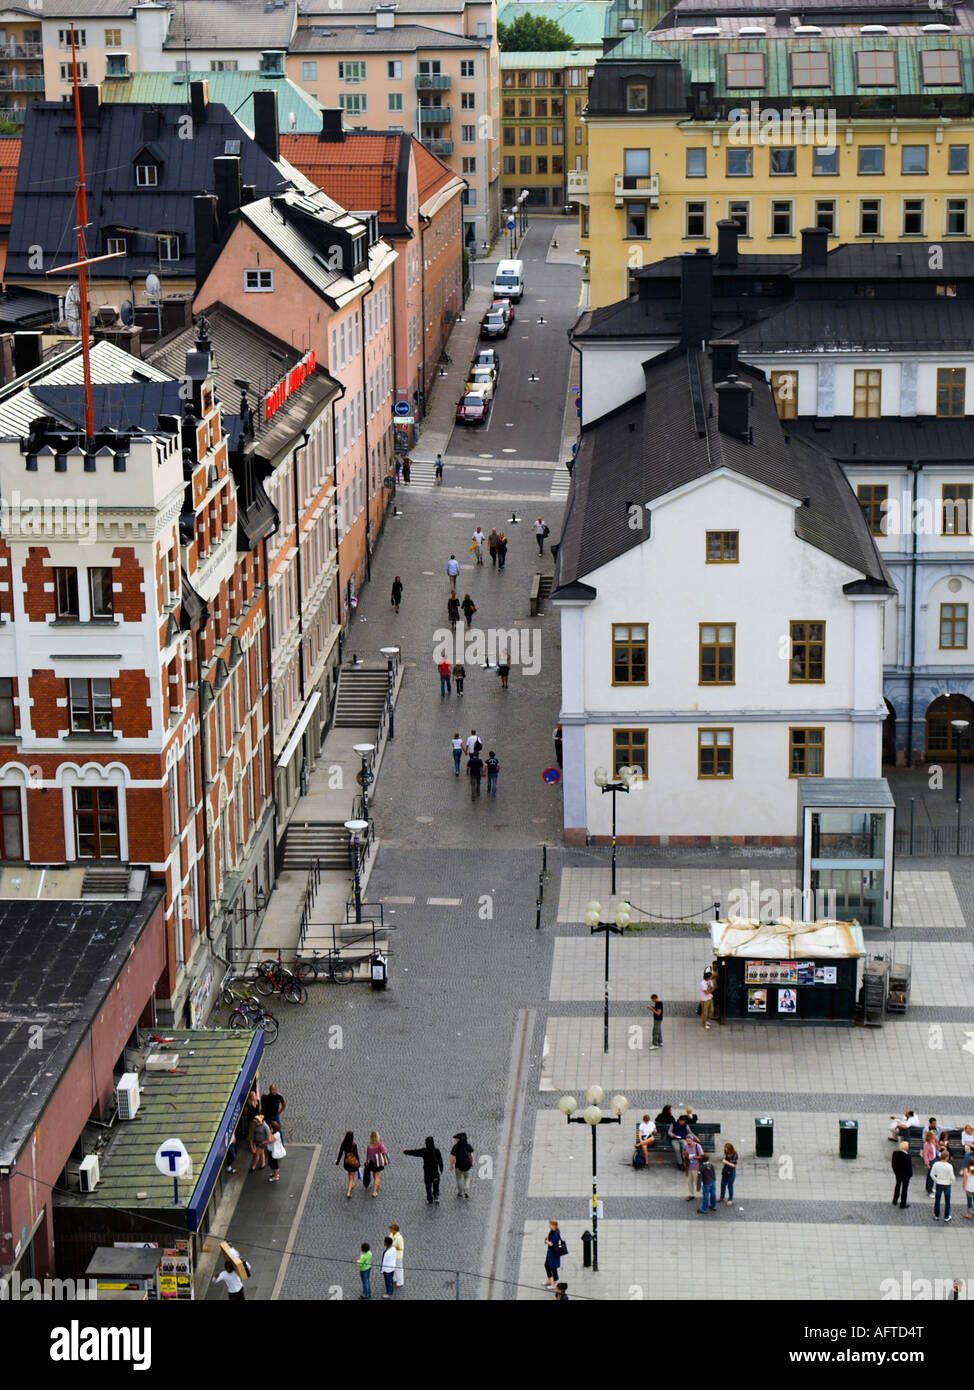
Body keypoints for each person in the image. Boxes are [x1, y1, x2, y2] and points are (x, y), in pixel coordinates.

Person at [402, 1136, 443, 1204]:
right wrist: (441, 1168)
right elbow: (440, 1160)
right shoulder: (436, 1151)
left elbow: (414, 1152)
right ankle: (436, 1196)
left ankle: (429, 1199)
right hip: (435, 1172)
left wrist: (405, 1151)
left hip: (427, 1172)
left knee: (428, 1185)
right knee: (436, 1184)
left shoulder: (424, 1151)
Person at [336, 1130, 360, 1199]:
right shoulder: (354, 1145)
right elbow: (356, 1155)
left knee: (349, 1173)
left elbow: (340, 1153)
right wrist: (359, 1163)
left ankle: (352, 1184)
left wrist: (337, 1163)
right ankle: (349, 1192)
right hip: (353, 1163)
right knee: (352, 1178)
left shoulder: (343, 1144)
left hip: (346, 1163)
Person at [450, 1132, 475, 1198]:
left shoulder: (455, 1147)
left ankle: (460, 1193)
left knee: (459, 1179)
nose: (456, 1139)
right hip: (467, 1166)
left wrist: (451, 1165)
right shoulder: (468, 1145)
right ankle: (466, 1189)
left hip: (458, 1166)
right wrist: (472, 1162)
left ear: (458, 1139)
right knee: (467, 1178)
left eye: (456, 1138)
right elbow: (472, 1155)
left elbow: (453, 1158)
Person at [931, 1152, 955, 1221]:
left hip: (939, 1184)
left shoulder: (936, 1164)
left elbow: (932, 1174)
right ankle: (946, 1217)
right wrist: (950, 1182)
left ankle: (936, 1215)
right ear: (947, 1157)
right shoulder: (949, 1166)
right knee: (947, 1201)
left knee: (937, 1200)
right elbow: (952, 1177)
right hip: (947, 1185)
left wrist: (937, 1180)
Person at [890, 1140, 913, 1210]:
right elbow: (909, 1168)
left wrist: (895, 1172)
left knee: (897, 1186)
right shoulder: (907, 1157)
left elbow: (893, 1164)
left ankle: (895, 1200)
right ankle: (903, 1203)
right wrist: (910, 1174)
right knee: (904, 1189)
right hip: (905, 1175)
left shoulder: (895, 1153)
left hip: (898, 1174)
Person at [366, 1129, 388, 1199]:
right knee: (377, 1175)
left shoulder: (369, 1145)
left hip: (372, 1162)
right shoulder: (380, 1144)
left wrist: (367, 1161)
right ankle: (374, 1191)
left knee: (374, 1174)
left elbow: (368, 1154)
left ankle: (376, 1183)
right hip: (378, 1162)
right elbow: (384, 1151)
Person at [683, 1133, 704, 1201]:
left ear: (692, 1140)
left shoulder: (697, 1146)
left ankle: (704, 1194)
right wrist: (685, 1155)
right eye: (687, 1141)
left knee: (697, 1182)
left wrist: (693, 1157)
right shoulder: (686, 1146)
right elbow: (684, 1153)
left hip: (696, 1167)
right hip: (689, 1167)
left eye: (689, 1141)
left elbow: (702, 1156)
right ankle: (691, 1195)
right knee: (689, 1182)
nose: (688, 1142)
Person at [544, 1220, 562, 1289]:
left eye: (550, 1224)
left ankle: (555, 1283)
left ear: (553, 1225)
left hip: (554, 1253)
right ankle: (549, 1280)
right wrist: (547, 1239)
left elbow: (551, 1243)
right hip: (550, 1252)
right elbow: (548, 1237)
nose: (549, 1225)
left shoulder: (556, 1233)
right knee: (546, 1265)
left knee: (553, 1268)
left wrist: (546, 1241)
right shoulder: (552, 1231)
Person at [266, 1119, 284, 1183]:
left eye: (270, 1127)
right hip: (270, 1150)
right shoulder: (274, 1133)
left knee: (274, 1164)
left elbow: (270, 1140)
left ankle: (276, 1176)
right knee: (271, 1163)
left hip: (274, 1151)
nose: (269, 1128)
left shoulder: (277, 1134)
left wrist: (270, 1133)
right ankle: (274, 1173)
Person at [923, 1129, 939, 1196]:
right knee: (932, 1176)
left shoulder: (933, 1141)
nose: (934, 1136)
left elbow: (938, 1148)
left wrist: (936, 1141)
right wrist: (927, 1164)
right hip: (930, 1160)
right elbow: (925, 1155)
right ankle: (930, 1191)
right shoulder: (926, 1144)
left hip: (934, 1158)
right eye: (933, 1135)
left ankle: (928, 1188)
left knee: (929, 1175)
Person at [389, 1223, 404, 1288]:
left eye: (391, 1229)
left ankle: (400, 1282)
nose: (390, 1231)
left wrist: (393, 1247)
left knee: (399, 1268)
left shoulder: (399, 1238)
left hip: (398, 1256)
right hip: (392, 1255)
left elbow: (401, 1248)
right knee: (393, 1267)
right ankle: (394, 1278)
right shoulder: (391, 1235)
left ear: (395, 1230)